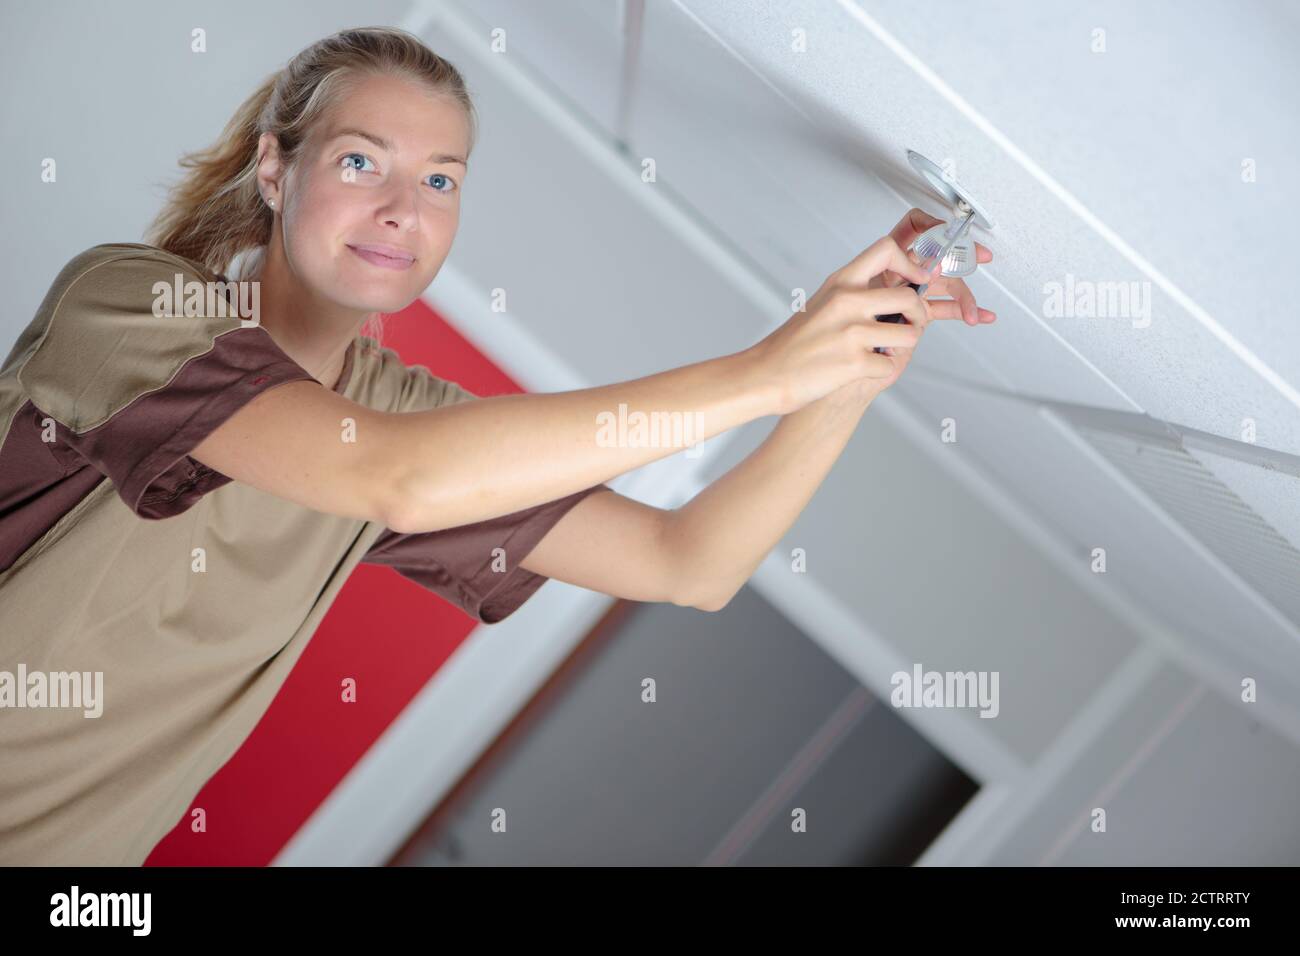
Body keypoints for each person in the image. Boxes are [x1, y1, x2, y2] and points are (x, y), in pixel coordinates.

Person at [0, 26, 995, 865]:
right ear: (274, 167)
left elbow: (687, 561)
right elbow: (388, 474)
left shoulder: (402, 415)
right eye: (361, 162)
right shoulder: (129, 304)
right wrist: (767, 368)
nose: (404, 209)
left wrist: (848, 365)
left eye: (440, 178)